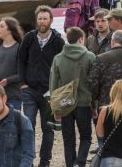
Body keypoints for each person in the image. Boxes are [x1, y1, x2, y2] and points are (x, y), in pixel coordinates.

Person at [17, 5, 65, 167]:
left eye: (45, 18)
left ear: (51, 20)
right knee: (28, 127)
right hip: (29, 90)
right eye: (40, 18)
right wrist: (22, 83)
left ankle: (45, 162)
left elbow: (62, 66)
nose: (42, 21)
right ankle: (28, 161)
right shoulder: (29, 38)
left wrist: (56, 90)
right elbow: (20, 61)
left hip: (49, 92)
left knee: (47, 128)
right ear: (36, 20)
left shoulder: (58, 41)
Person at [50, 27, 95, 167]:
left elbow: (53, 84)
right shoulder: (90, 57)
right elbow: (94, 84)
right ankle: (79, 163)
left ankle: (70, 164)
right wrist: (95, 106)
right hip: (84, 103)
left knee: (68, 139)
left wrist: (55, 108)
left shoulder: (58, 58)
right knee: (86, 137)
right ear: (81, 39)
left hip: (65, 104)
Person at [0, 17, 24, 110]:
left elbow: (22, 74)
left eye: (2, 26)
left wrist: (8, 80)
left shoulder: (20, 49)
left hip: (14, 98)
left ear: (10, 30)